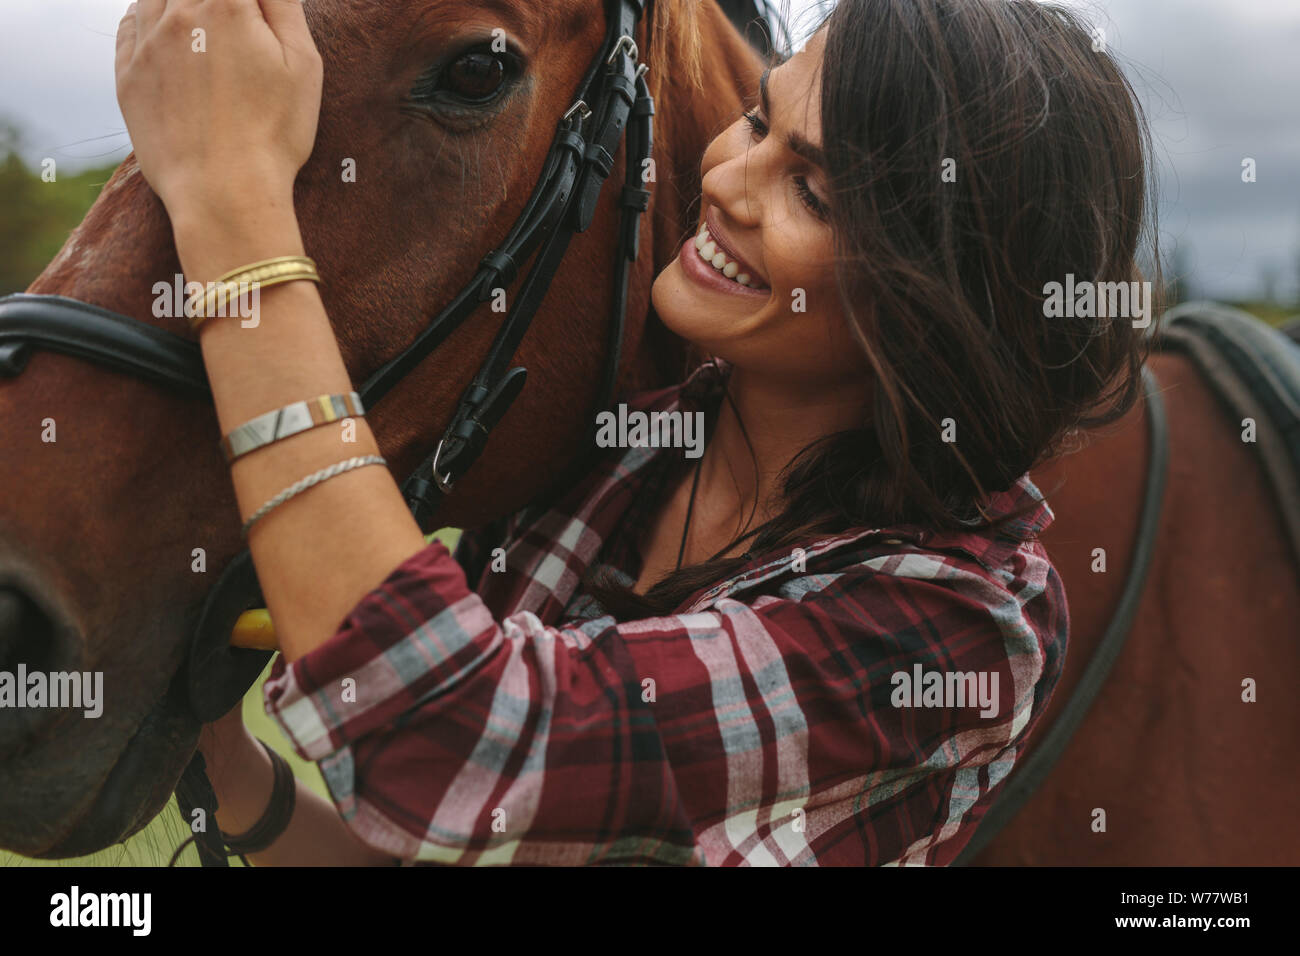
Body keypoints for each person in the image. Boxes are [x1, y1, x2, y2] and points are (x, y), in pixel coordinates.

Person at [115, 0, 1156, 865]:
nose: (725, 184)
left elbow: (470, 741)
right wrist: (230, 775)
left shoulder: (952, 625)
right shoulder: (624, 457)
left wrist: (231, 207)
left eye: (812, 189)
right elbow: (455, 827)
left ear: (941, 302)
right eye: (755, 121)